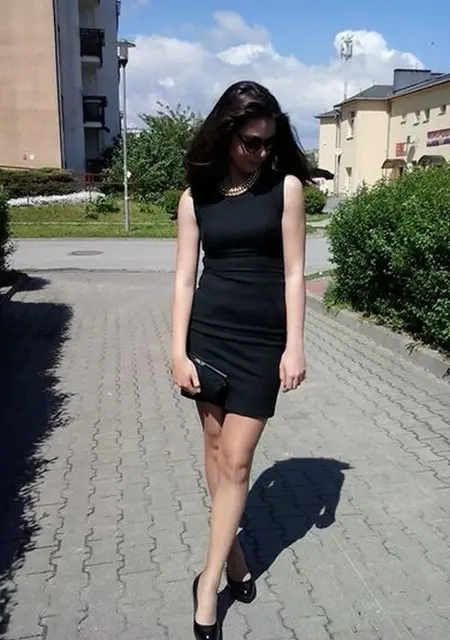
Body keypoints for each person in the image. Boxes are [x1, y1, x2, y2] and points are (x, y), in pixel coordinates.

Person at [171, 80, 311, 640]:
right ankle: (231, 558)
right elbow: (184, 277)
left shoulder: (286, 188)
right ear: (227, 134)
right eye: (251, 142)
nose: (260, 151)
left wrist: (294, 345)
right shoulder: (195, 197)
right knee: (213, 448)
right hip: (208, 337)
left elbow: (295, 273)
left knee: (235, 460)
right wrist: (176, 350)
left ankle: (207, 585)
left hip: (261, 344)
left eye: (268, 142)